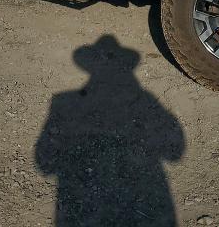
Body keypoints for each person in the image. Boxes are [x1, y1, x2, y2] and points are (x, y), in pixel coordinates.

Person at [35, 35, 184, 226]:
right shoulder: (146, 100)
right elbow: (176, 152)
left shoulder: (63, 102)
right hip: (142, 201)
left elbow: (44, 163)